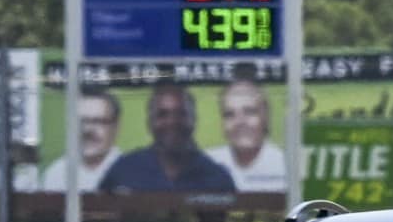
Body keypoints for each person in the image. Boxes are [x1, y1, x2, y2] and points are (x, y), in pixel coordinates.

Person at [100, 83, 237, 193]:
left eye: (181, 113)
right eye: (162, 114)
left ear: (194, 120)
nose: (172, 122)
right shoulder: (123, 170)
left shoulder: (218, 178)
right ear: (150, 122)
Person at [207, 78, 288, 192]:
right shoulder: (207, 164)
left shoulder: (287, 167)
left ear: (265, 118)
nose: (240, 122)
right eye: (229, 114)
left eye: (249, 112)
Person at [74, 88, 123, 187]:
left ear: (116, 127)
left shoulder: (131, 173)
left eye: (98, 121)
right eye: (81, 121)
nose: (87, 129)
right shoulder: (54, 174)